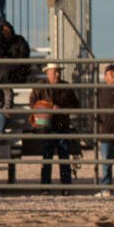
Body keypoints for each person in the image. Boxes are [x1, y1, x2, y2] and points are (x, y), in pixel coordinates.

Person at [29, 63, 80, 192]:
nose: (57, 74)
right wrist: (47, 108)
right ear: (48, 73)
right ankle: (46, 187)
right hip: (46, 127)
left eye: (58, 72)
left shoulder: (66, 87)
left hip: (62, 125)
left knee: (63, 157)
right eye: (54, 72)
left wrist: (62, 109)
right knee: (48, 157)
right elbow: (32, 103)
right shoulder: (40, 87)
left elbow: (76, 105)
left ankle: (65, 187)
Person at [95, 64, 114, 197]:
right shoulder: (100, 91)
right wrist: (97, 127)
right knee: (106, 163)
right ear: (105, 77)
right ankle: (106, 189)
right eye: (111, 73)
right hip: (106, 132)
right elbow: (93, 110)